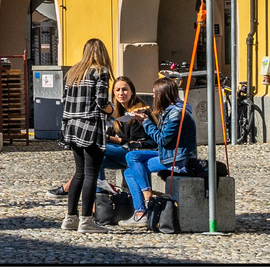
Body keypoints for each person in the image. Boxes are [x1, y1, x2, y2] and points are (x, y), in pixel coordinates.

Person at [124, 76, 200, 221]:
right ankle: (141, 211)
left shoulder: (176, 113)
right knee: (131, 159)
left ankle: (143, 208)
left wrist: (146, 122)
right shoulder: (171, 110)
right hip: (169, 153)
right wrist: (143, 119)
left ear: (162, 94)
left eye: (154, 93)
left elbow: (162, 139)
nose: (153, 96)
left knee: (130, 168)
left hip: (178, 159)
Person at [60, 38, 113, 233]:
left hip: (72, 126)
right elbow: (101, 101)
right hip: (90, 126)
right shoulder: (101, 72)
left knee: (79, 172)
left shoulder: (73, 72)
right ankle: (86, 221)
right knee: (91, 173)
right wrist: (113, 111)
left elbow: (64, 99)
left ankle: (70, 218)